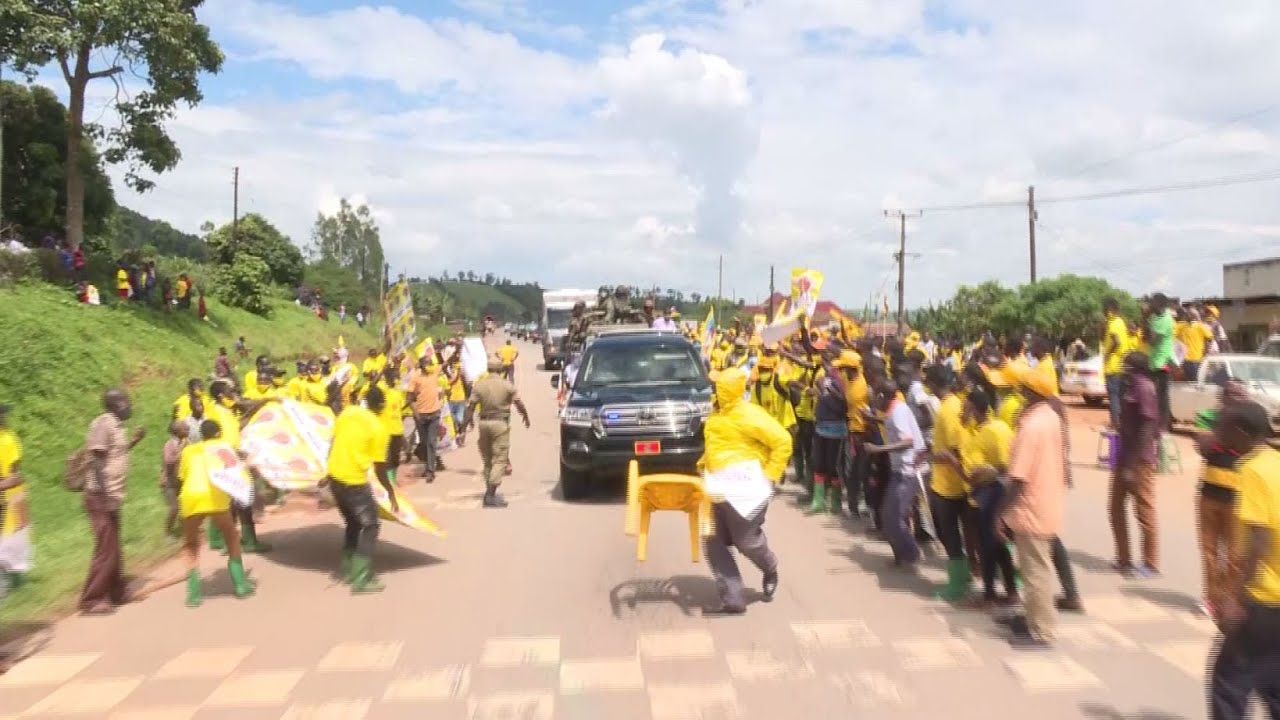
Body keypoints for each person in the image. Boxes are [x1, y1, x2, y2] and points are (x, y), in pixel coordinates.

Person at [1208, 401, 1280, 720]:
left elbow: (1259, 539)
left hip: (1264, 598)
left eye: (1222, 426)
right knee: (1273, 682)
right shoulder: (1276, 462)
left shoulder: (1251, 469)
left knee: (1228, 682)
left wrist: (1236, 599)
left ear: (1240, 431)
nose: (1217, 432)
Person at [699, 366, 791, 614]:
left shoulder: (750, 414)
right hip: (716, 488)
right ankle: (733, 599)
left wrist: (770, 475)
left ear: (726, 390)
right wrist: (702, 465)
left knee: (746, 542)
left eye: (716, 386)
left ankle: (770, 567)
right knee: (712, 540)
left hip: (746, 490)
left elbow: (783, 441)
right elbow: (716, 447)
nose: (712, 389)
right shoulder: (716, 414)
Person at [999, 364, 1068, 648]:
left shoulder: (1032, 426)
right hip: (1046, 501)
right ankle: (1032, 618)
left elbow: (1018, 477)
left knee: (1035, 572)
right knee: (1034, 569)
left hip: (1031, 506)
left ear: (1029, 392)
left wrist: (1001, 513)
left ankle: (1042, 632)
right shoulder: (1051, 417)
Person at [177, 419, 256, 607]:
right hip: (215, 497)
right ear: (218, 433)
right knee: (231, 536)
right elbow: (236, 471)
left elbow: (181, 476)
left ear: (202, 435)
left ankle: (194, 595)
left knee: (191, 544)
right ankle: (240, 584)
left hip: (191, 497)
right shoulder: (224, 447)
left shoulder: (188, 450)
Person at [80, 389, 145, 615]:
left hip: (112, 496)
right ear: (115, 404)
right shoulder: (104, 424)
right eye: (126, 402)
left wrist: (134, 441)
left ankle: (117, 592)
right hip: (100, 496)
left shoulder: (117, 426)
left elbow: (114, 455)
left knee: (114, 547)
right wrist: (104, 494)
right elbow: (97, 461)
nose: (130, 405)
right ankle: (92, 599)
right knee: (106, 549)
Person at [328, 386, 396, 593]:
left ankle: (347, 565)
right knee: (370, 526)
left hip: (334, 476)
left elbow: (333, 442)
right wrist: (390, 491)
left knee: (352, 522)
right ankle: (361, 578)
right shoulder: (379, 428)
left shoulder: (348, 412)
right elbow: (380, 467)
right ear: (381, 406)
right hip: (354, 482)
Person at [1195, 380, 1250, 616]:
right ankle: (1211, 599)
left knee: (1235, 556)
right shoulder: (1208, 417)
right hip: (1209, 494)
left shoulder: (1252, 423)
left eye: (1241, 395)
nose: (1236, 398)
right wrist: (1224, 422)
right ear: (1222, 397)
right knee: (1209, 552)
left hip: (1240, 498)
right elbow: (1204, 447)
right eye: (1231, 394)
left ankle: (1229, 599)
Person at [960, 389, 1018, 607]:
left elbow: (1006, 466)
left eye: (966, 407)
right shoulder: (982, 429)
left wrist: (986, 471)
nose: (963, 410)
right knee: (996, 545)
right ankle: (1009, 591)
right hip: (984, 492)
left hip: (993, 493)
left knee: (988, 545)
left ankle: (989, 595)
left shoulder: (994, 431)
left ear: (975, 409)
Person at [1111, 351, 1161, 578]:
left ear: (1136, 368)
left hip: (1139, 460)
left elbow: (1148, 425)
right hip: (1124, 456)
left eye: (1126, 365)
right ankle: (1124, 558)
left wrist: (1131, 464)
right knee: (1115, 508)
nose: (1123, 369)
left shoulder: (1144, 387)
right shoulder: (1130, 386)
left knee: (1144, 511)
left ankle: (1151, 563)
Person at [866, 379, 926, 568]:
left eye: (876, 395)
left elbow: (908, 441)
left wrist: (878, 449)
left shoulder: (898, 412)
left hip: (907, 472)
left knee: (892, 516)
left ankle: (912, 553)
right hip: (900, 470)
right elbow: (889, 422)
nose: (874, 399)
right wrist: (873, 418)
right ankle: (902, 555)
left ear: (883, 396)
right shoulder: (894, 409)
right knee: (889, 515)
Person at [926, 364, 971, 600]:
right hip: (943, 481)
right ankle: (962, 576)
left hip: (949, 485)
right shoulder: (949, 404)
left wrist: (930, 456)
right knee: (947, 532)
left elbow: (955, 449)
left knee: (949, 533)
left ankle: (958, 584)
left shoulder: (949, 409)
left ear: (933, 384)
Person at [463, 356, 530, 508]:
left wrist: (463, 429)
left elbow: (470, 408)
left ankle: (489, 490)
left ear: (488, 369)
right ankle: (490, 495)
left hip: (483, 423)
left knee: (487, 459)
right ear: (501, 370)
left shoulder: (479, 386)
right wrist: (525, 416)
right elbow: (518, 403)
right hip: (500, 423)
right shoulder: (507, 385)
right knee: (500, 459)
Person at [0, 405, 31, 590]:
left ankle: (9, 581)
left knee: (11, 538)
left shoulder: (8, 439)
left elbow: (15, 475)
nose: (4, 418)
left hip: (10, 494)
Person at [407, 357, 446, 482]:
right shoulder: (415, 378)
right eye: (427, 364)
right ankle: (427, 465)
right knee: (424, 443)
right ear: (421, 365)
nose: (430, 366)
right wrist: (416, 413)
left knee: (431, 442)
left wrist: (455, 351)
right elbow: (409, 398)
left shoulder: (434, 373)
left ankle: (430, 471)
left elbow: (445, 363)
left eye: (431, 363)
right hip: (421, 415)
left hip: (434, 414)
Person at [1146, 293, 1175, 428]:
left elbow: (1152, 340)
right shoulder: (1154, 317)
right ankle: (1160, 424)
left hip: (1162, 362)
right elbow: (1145, 337)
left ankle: (1164, 426)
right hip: (1155, 361)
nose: (1150, 305)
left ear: (1158, 304)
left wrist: (1146, 320)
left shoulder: (1165, 319)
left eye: (1152, 302)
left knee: (1162, 396)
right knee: (1156, 395)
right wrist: (1145, 319)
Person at [1102, 298, 1131, 429]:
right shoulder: (1121, 322)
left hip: (1113, 365)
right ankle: (1121, 423)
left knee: (1113, 396)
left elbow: (1116, 341)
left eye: (1105, 309)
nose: (1103, 312)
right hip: (1121, 365)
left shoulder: (1113, 323)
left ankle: (1115, 423)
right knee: (1120, 396)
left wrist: (1107, 354)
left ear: (1110, 309)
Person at [161, 420, 188, 537]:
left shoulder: (187, 442)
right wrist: (181, 450)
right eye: (184, 428)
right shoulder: (169, 445)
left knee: (185, 507)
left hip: (182, 480)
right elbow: (169, 461)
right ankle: (168, 533)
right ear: (177, 431)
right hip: (169, 482)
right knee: (174, 508)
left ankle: (185, 529)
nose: (187, 428)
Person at [444, 354, 470, 446]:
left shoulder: (459, 373)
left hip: (460, 399)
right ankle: (458, 436)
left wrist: (467, 397)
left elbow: (465, 385)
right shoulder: (447, 374)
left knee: (459, 419)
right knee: (454, 420)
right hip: (451, 399)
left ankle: (460, 436)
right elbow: (452, 381)